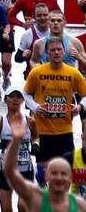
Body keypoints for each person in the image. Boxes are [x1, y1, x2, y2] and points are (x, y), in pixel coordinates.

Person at [23, 35, 86, 172]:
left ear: (64, 52)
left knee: (66, 172)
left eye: (59, 50)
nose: (56, 53)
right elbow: (26, 93)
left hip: (65, 131)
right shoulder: (37, 72)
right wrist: (35, 107)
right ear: (47, 53)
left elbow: (85, 94)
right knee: (42, 174)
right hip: (42, 131)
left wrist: (80, 106)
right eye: (53, 50)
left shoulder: (73, 73)